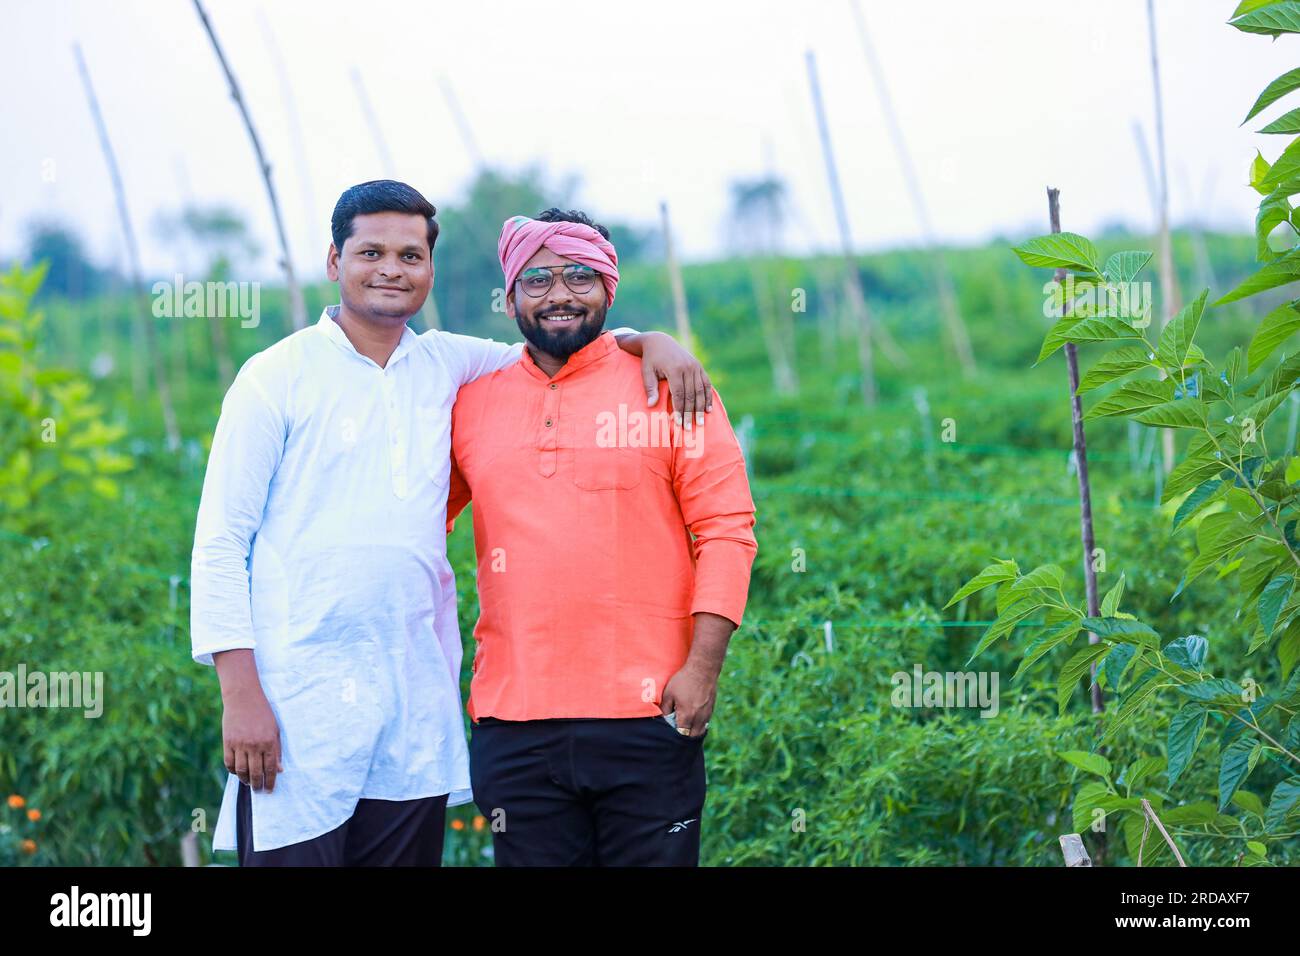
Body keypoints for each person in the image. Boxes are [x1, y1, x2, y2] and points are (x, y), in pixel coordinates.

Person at [189, 181, 713, 866]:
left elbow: (558, 347)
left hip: (410, 704)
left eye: (410, 255)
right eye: (370, 251)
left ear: (429, 271)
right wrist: (242, 696)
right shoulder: (274, 379)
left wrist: (649, 341)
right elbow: (221, 543)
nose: (391, 269)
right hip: (298, 704)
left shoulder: (452, 365)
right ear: (332, 260)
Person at [447, 209, 758, 866]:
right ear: (509, 298)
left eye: (579, 275)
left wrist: (702, 671)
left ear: (609, 288)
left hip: (649, 715)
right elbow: (410, 529)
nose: (560, 293)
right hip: (513, 724)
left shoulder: (673, 385)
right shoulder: (470, 402)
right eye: (538, 279)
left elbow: (727, 532)